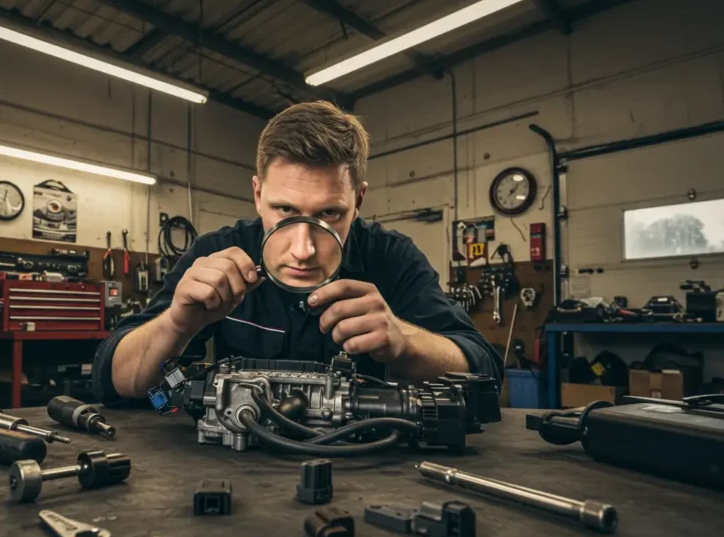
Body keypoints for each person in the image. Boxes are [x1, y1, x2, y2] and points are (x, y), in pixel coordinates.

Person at [92, 101, 502, 404]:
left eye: (330, 214)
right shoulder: (215, 251)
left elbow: (484, 370)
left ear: (358, 200)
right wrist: (175, 327)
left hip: (365, 471)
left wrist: (407, 342)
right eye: (284, 210)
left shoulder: (392, 258)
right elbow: (117, 385)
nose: (304, 249)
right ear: (257, 194)